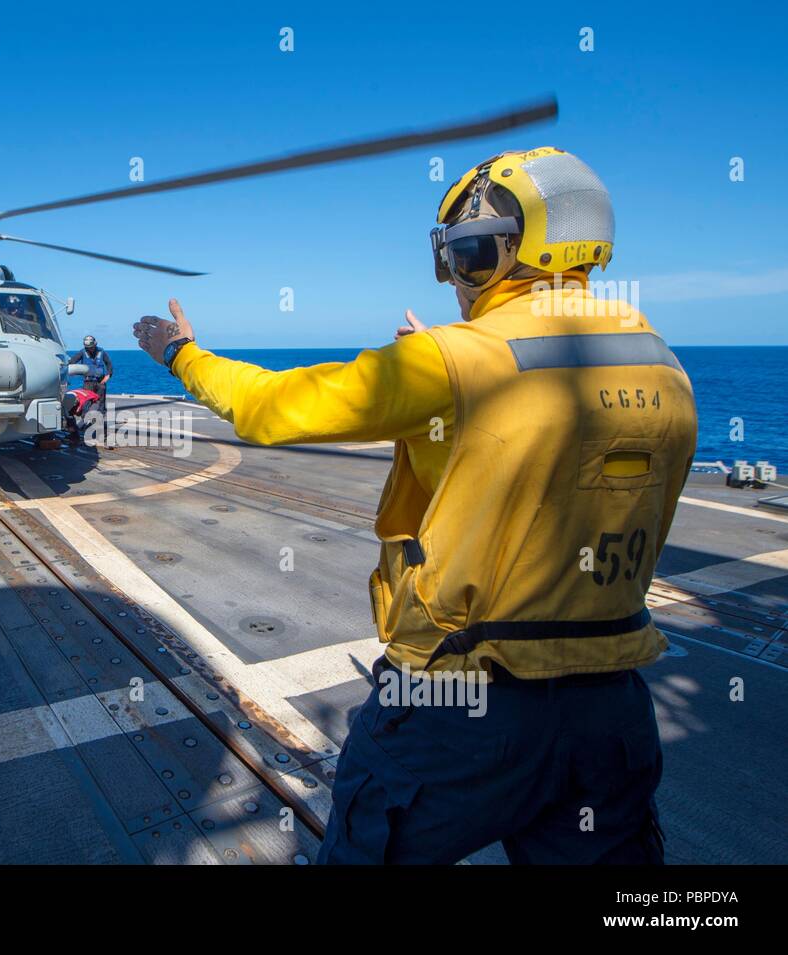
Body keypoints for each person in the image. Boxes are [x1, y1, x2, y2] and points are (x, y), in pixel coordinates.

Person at [133, 147, 697, 865]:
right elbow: (531, 470)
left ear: (496, 254)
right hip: (610, 711)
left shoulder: (453, 358)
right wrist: (448, 400)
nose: (457, 281)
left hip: (458, 706)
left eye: (464, 256)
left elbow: (270, 407)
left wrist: (180, 352)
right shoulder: (665, 365)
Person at [68, 335, 113, 444]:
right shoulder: (82, 352)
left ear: (95, 344)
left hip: (100, 383)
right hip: (88, 383)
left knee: (101, 406)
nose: (90, 349)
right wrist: (71, 370)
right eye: (88, 348)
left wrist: (109, 375)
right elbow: (72, 361)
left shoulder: (101, 352)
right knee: (86, 405)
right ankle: (85, 425)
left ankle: (100, 432)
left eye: (92, 347)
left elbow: (109, 363)